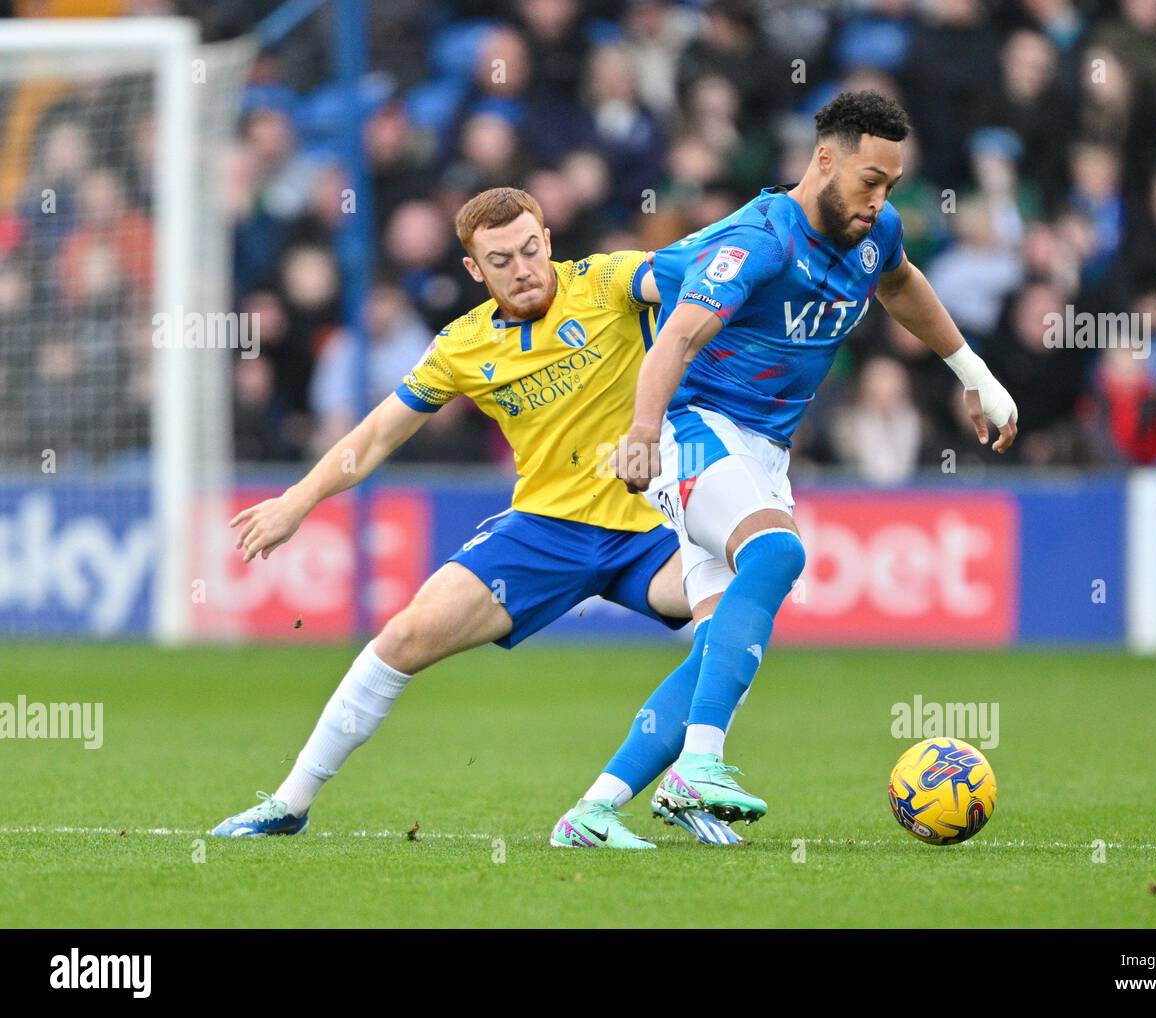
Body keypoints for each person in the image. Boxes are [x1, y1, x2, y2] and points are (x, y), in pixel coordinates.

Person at [211, 187, 743, 849]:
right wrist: (298, 501)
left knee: (737, 613)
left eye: (529, 249)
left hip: (651, 526)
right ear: (473, 270)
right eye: (500, 260)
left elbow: (706, 271)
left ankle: (681, 780)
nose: (522, 268)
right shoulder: (462, 346)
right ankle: (290, 802)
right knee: (403, 638)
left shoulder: (611, 281)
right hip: (546, 532)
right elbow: (375, 438)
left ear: (547, 240)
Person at [613, 91, 1018, 825]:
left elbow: (900, 284)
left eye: (891, 185)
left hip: (763, 453)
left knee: (718, 646)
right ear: (824, 159)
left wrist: (976, 376)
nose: (880, 200)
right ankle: (697, 767)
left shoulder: (876, 233)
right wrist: (642, 432)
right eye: (870, 180)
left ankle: (594, 811)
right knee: (775, 556)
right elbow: (675, 337)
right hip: (692, 428)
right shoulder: (760, 240)